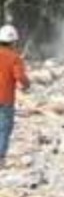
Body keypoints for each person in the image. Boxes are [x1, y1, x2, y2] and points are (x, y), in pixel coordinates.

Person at [0, 25, 29, 166]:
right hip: (5, 99)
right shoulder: (14, 58)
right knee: (4, 128)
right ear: (13, 42)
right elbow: (20, 77)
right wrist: (27, 85)